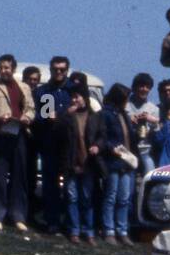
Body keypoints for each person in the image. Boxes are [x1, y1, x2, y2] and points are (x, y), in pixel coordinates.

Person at [0, 54, 34, 231]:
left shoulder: (24, 87)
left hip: (19, 134)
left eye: (8, 67)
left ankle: (18, 216)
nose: (4, 70)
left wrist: (27, 118)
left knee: (20, 177)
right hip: (0, 134)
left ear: (14, 69)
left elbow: (31, 109)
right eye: (1, 67)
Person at [59, 74, 104, 245]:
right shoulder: (67, 115)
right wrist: (65, 116)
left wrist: (97, 146)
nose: (75, 99)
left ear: (85, 97)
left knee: (87, 197)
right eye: (73, 96)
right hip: (71, 162)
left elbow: (102, 135)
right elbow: (56, 132)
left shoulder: (95, 115)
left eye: (77, 96)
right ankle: (74, 231)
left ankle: (89, 231)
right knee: (72, 197)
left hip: (89, 163)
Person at [33, 56, 73, 234]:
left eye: (62, 70)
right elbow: (47, 117)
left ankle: (72, 223)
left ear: (67, 70)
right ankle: (53, 222)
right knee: (51, 184)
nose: (59, 72)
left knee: (72, 184)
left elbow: (81, 109)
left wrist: (61, 114)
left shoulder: (73, 90)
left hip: (72, 143)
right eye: (56, 69)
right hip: (51, 142)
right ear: (50, 70)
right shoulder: (46, 91)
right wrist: (64, 113)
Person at [98, 83, 137, 244]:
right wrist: (109, 148)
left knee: (124, 197)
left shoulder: (124, 114)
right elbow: (102, 136)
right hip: (113, 161)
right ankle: (109, 230)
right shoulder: (106, 114)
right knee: (111, 196)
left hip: (126, 161)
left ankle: (122, 230)